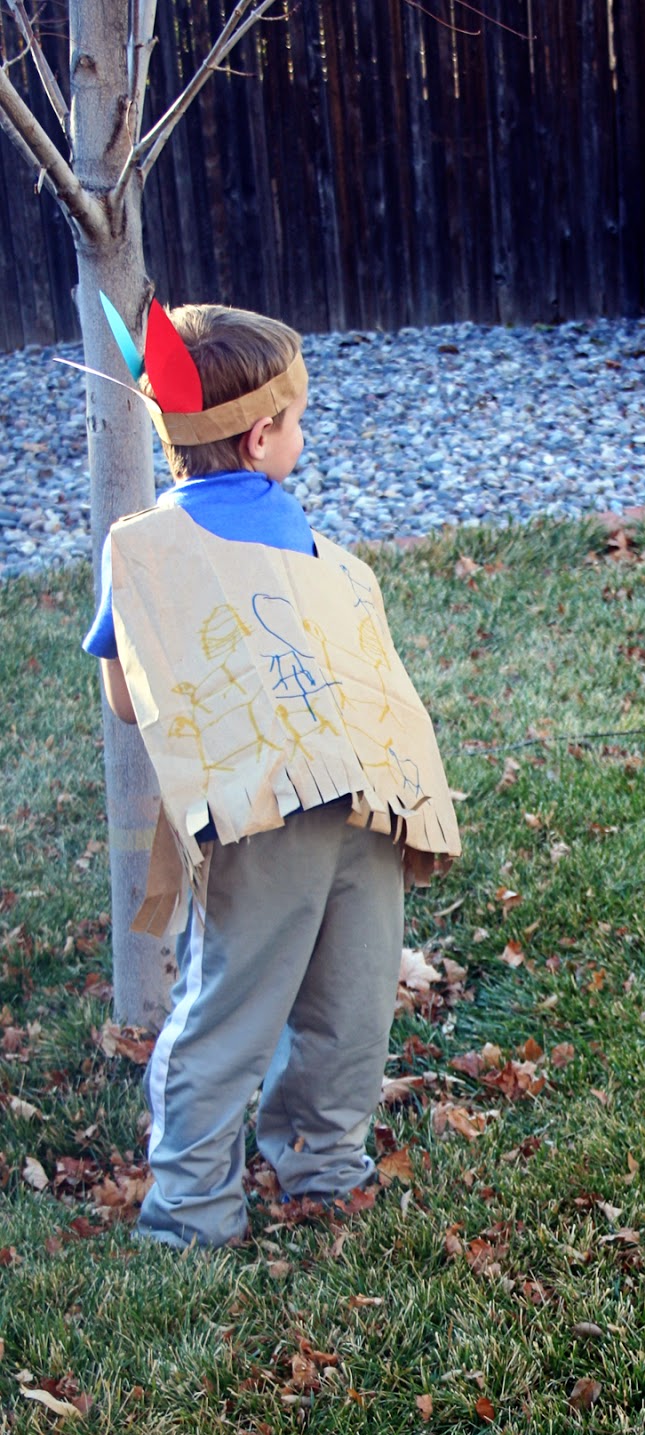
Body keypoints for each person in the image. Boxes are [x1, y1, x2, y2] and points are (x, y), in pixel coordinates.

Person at [83, 303, 455, 1246]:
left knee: (248, 1003)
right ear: (260, 436)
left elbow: (127, 701)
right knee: (347, 997)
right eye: (296, 421)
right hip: (354, 802)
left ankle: (207, 1205)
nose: (301, 435)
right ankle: (311, 1169)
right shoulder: (283, 548)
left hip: (274, 810)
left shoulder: (146, 549)